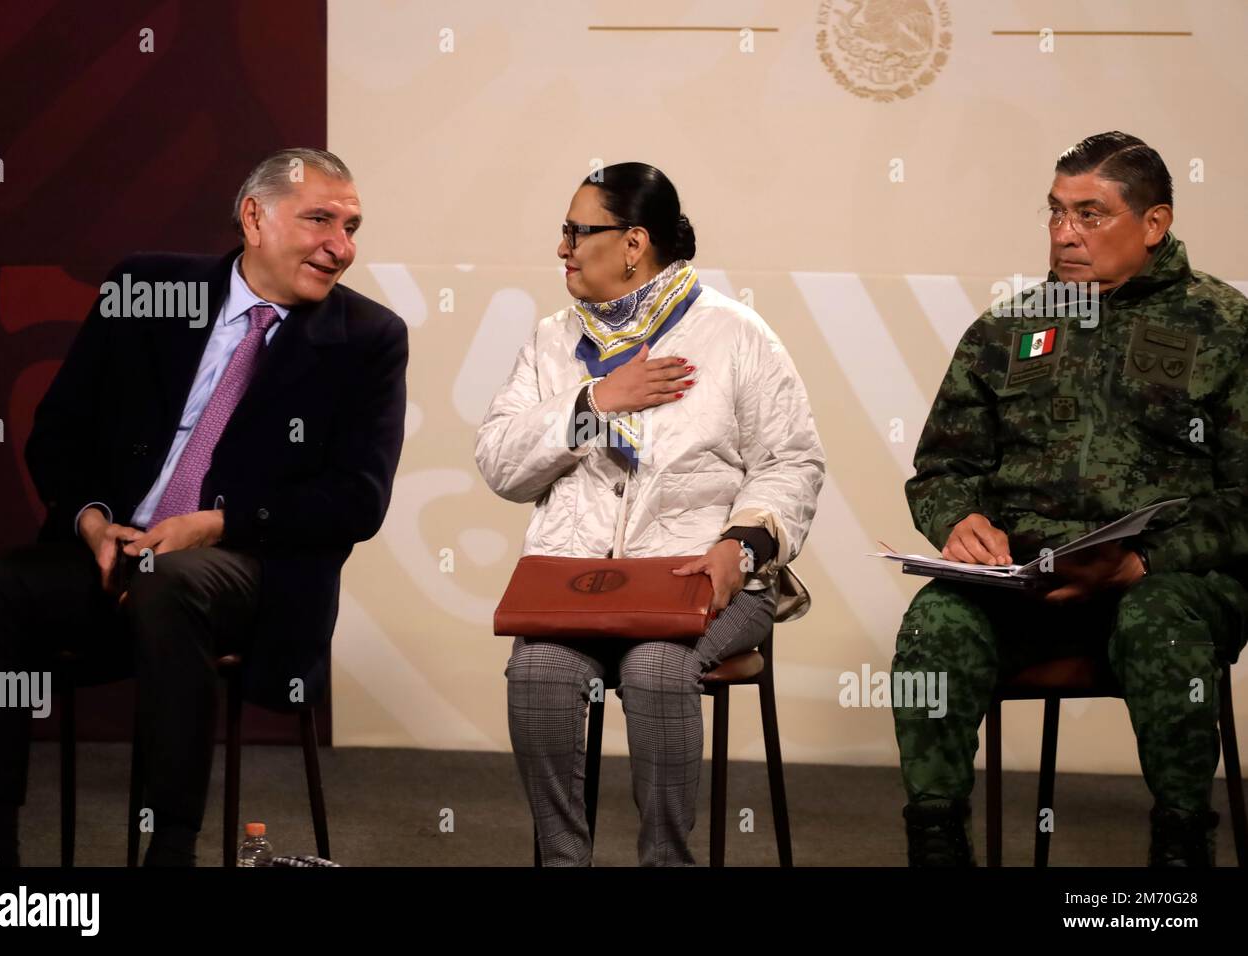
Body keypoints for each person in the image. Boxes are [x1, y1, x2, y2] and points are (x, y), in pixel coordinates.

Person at [0, 147, 408, 866]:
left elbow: (358, 499)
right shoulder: (146, 288)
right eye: (320, 220)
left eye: (351, 227)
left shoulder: (368, 339)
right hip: (119, 548)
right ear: (254, 218)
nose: (340, 247)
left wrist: (217, 524)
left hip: (246, 568)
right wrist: (93, 520)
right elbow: (57, 432)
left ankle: (171, 850)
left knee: (172, 581)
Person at [893, 132, 1248, 866]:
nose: (1064, 234)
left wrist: (1144, 562)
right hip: (1030, 579)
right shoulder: (1008, 328)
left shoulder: (1225, 327)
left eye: (1090, 215)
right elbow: (942, 467)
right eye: (1055, 212)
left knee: (1160, 621)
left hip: (1167, 581)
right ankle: (936, 841)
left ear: (1155, 224)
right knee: (936, 625)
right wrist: (959, 520)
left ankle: (1182, 849)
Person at [476, 162, 824, 866]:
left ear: (633, 243)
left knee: (657, 667)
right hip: (578, 583)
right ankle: (562, 862)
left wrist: (743, 545)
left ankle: (667, 861)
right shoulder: (551, 341)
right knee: (539, 668)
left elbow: (793, 463)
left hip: (706, 576)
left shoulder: (736, 334)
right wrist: (594, 404)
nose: (563, 247)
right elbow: (502, 466)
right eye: (564, 231)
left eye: (578, 230)